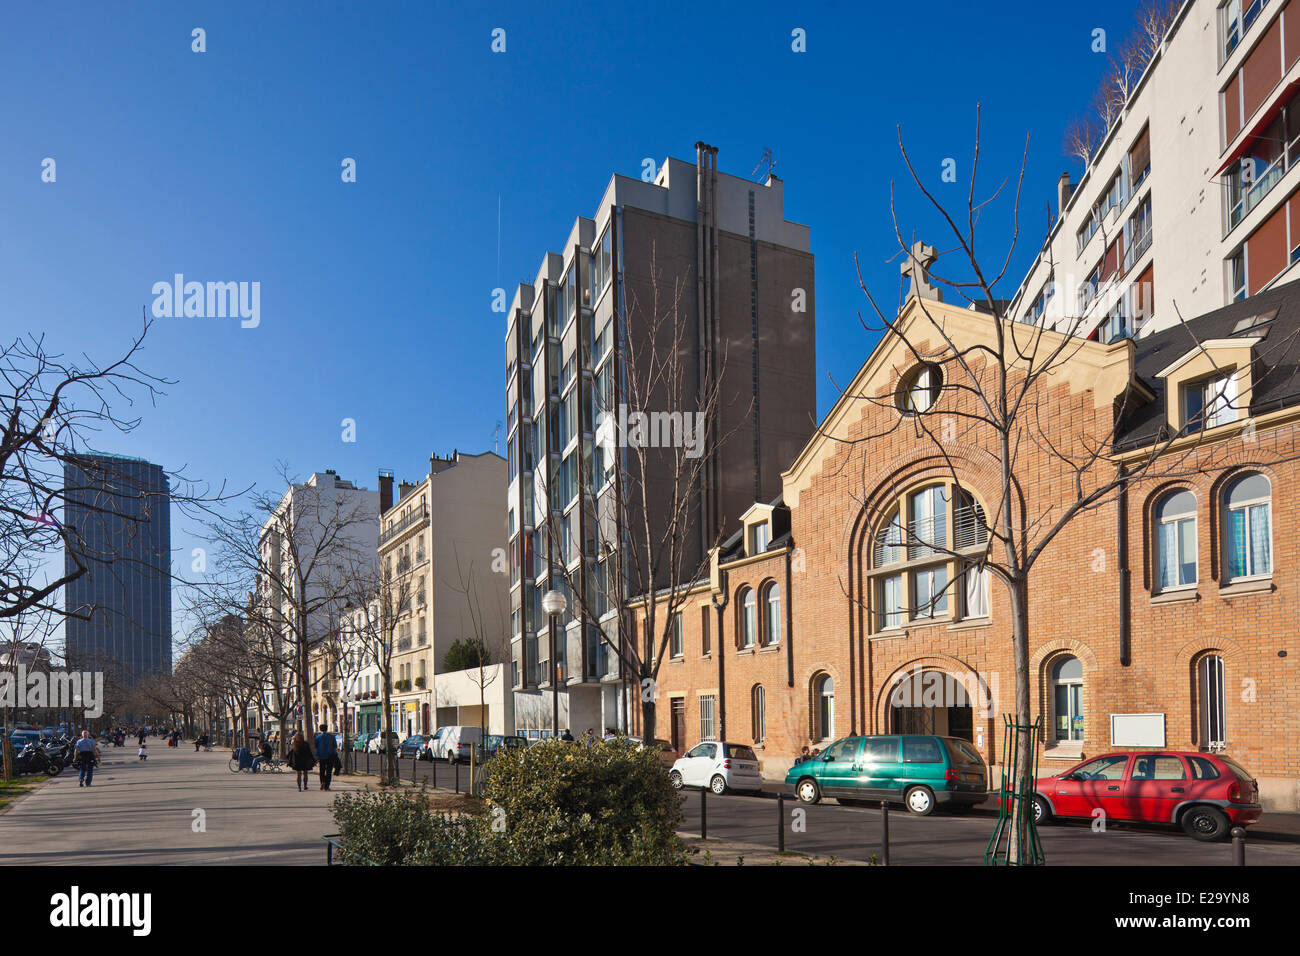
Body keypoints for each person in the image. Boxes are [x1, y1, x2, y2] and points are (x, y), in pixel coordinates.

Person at [314, 723, 337, 791]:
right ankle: (327, 786)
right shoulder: (331, 736)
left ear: (320, 729)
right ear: (327, 729)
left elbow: (315, 746)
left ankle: (322, 782)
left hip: (321, 756)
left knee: (322, 770)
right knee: (329, 771)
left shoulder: (317, 737)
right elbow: (335, 746)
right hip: (330, 755)